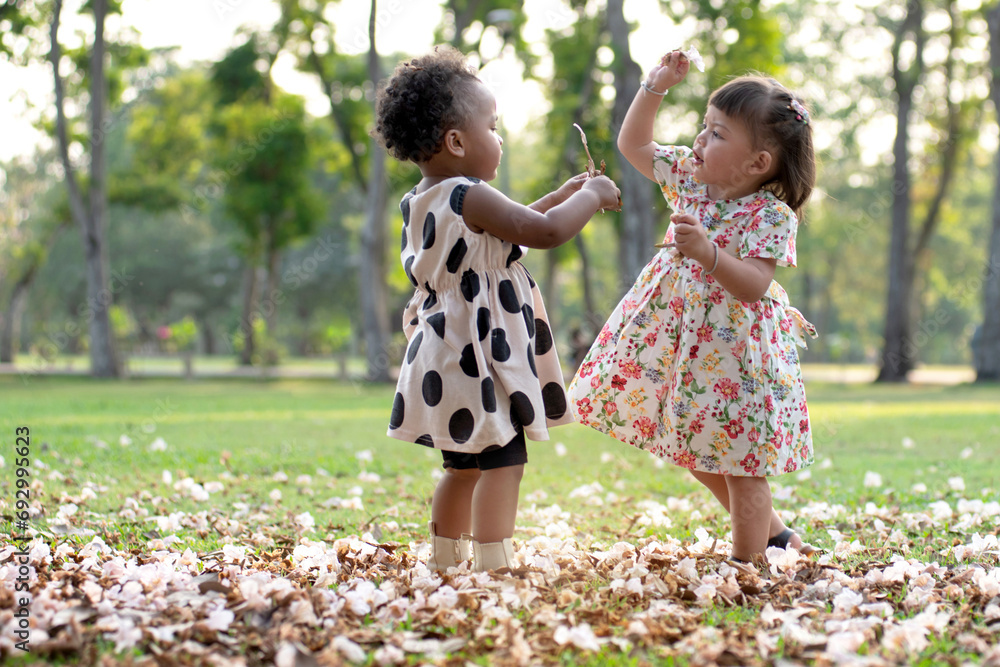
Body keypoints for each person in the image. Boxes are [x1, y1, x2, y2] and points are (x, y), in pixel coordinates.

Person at [373, 45, 621, 572]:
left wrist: (559, 193)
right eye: (492, 125)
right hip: (482, 357)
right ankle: (494, 564)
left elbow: (506, 234)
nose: (500, 136)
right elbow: (543, 233)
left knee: (461, 467)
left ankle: (445, 560)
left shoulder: (425, 196)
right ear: (456, 142)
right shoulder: (470, 193)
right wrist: (593, 195)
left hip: (448, 351)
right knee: (505, 462)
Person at [567, 51, 817, 563]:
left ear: (757, 164)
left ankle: (747, 568)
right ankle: (776, 537)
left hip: (738, 362)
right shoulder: (689, 178)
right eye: (705, 126)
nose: (701, 139)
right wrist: (654, 86)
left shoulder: (769, 216)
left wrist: (708, 252)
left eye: (719, 133)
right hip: (683, 350)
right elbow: (633, 144)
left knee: (743, 467)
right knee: (693, 448)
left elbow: (752, 284)